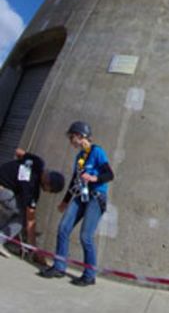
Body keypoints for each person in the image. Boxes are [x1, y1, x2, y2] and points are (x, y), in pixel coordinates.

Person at [39, 121, 114, 286]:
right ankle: (59, 267)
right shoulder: (79, 157)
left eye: (72, 137)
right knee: (63, 228)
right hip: (81, 196)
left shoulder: (97, 152)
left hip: (96, 197)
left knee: (85, 236)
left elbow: (109, 174)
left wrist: (95, 178)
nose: (71, 140)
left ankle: (89, 275)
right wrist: (65, 201)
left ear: (81, 136)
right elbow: (74, 180)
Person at [0, 148, 65, 258]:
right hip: (3, 190)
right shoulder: (32, 191)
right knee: (22, 217)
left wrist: (17, 170)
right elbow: (31, 221)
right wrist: (35, 250)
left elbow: (19, 152)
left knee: (18, 208)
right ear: (48, 185)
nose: (48, 192)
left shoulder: (38, 162)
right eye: (51, 191)